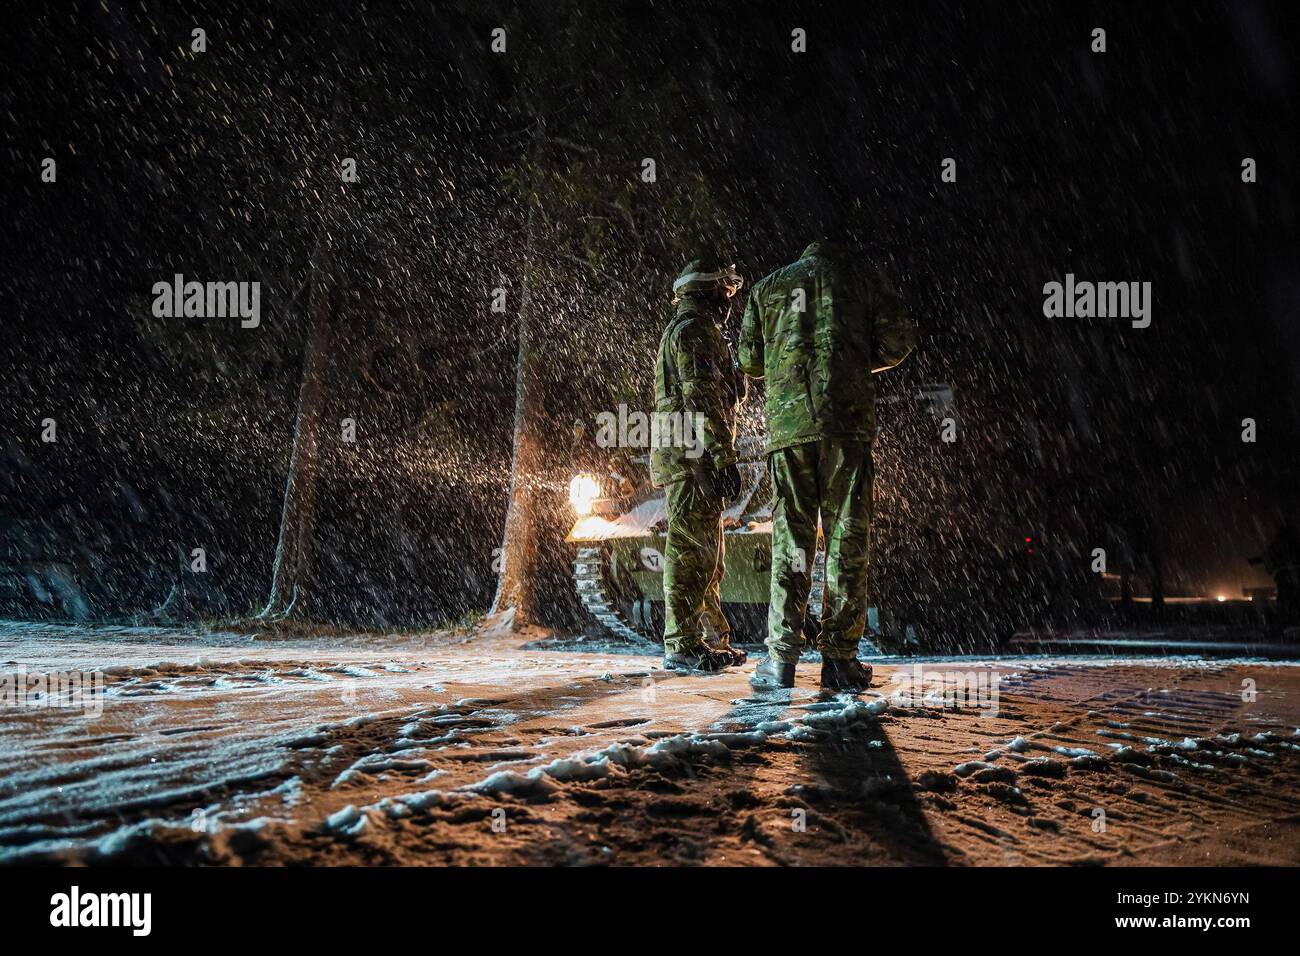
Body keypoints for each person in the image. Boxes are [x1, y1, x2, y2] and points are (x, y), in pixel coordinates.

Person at [739, 239, 917, 690]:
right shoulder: (864, 281)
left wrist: (789, 359)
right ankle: (840, 660)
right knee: (846, 541)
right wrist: (852, 361)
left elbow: (749, 361)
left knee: (792, 544)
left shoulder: (766, 289)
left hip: (789, 428)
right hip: (847, 425)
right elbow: (900, 341)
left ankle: (781, 660)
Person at [650, 258, 748, 672]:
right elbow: (700, 397)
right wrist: (724, 456)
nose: (728, 300)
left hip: (695, 455)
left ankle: (710, 637)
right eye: (724, 292)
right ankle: (683, 644)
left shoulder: (692, 330)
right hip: (694, 458)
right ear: (706, 292)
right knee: (691, 553)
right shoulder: (695, 331)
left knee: (707, 553)